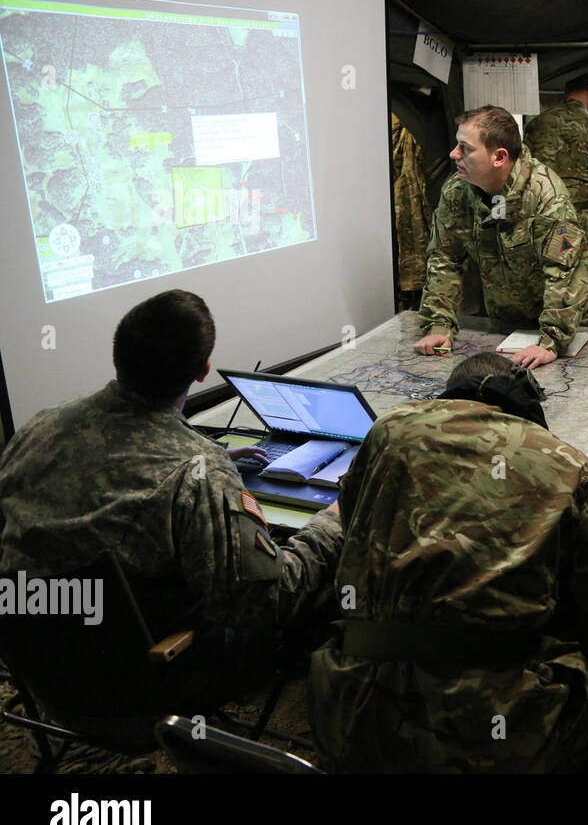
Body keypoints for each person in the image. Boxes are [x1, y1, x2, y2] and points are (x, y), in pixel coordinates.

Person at [0, 290, 343, 735]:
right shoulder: (194, 471)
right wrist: (335, 520)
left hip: (36, 670)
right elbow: (267, 603)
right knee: (328, 580)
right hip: (148, 684)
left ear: (117, 357)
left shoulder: (38, 426)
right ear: (202, 371)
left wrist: (211, 460)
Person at [309, 352, 588, 773]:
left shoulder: (389, 431)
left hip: (354, 711)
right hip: (492, 735)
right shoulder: (565, 462)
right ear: (525, 402)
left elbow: (351, 526)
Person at [414, 105, 588, 369]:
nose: (453, 154)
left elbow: (565, 274)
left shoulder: (546, 197)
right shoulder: (457, 192)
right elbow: (444, 259)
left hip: (561, 320)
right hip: (501, 323)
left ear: (499, 157)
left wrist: (552, 340)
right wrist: (438, 324)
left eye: (465, 148)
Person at [524, 72, 588, 324]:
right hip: (583, 219)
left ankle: (546, 337)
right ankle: (582, 343)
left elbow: (523, 173)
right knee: (584, 280)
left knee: (547, 277)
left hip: (542, 216)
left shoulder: (536, 125)